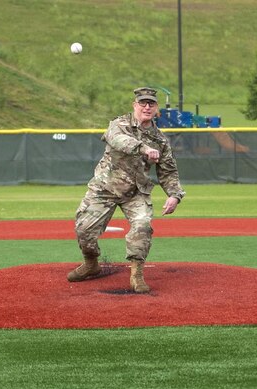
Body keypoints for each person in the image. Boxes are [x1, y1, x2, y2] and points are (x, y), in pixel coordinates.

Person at [67, 87, 186, 294]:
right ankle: (91, 263)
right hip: (104, 188)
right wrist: (144, 148)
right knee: (84, 230)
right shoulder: (119, 124)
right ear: (135, 105)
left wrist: (174, 195)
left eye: (151, 103)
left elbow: (168, 171)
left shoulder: (160, 140)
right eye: (143, 103)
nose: (147, 107)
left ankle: (136, 275)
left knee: (143, 225)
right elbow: (118, 141)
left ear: (156, 108)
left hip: (135, 192)